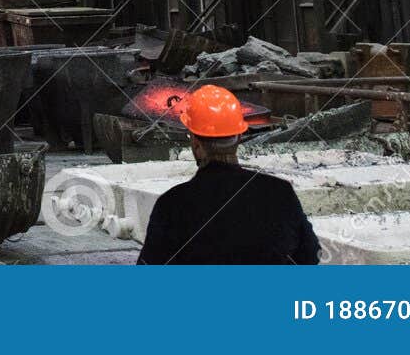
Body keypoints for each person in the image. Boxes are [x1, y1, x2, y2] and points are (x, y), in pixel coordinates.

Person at [137, 84, 320, 265]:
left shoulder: (172, 204)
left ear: (196, 143)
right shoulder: (280, 192)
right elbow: (310, 255)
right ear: (239, 137)